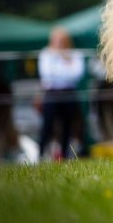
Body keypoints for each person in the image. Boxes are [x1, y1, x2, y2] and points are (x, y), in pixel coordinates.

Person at [37, 27, 84, 160]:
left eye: (62, 40)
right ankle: (40, 155)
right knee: (47, 124)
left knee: (68, 125)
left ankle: (64, 155)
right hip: (51, 93)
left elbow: (76, 75)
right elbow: (46, 73)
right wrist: (65, 69)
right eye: (56, 40)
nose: (59, 43)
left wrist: (59, 72)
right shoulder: (45, 54)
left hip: (68, 93)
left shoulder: (74, 54)